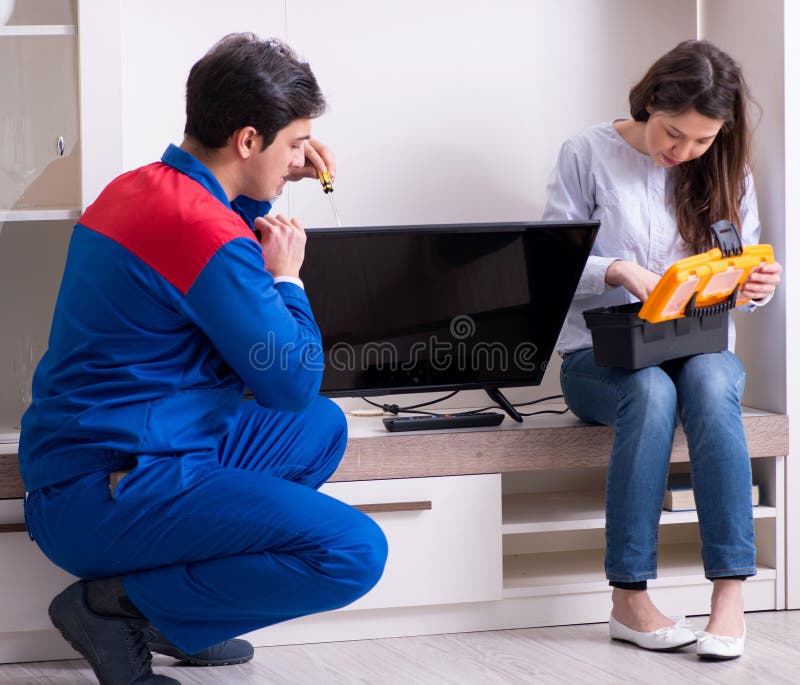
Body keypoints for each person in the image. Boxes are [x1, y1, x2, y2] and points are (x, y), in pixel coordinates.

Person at [19, 33, 387, 685]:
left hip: (114, 453)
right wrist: (287, 280)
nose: (304, 155)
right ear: (248, 140)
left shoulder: (144, 188)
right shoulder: (205, 232)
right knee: (352, 551)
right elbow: (290, 380)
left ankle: (178, 617)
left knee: (320, 430)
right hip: (107, 487)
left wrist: (277, 177)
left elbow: (216, 237)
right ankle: (115, 608)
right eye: (295, 141)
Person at [542, 39, 782, 660]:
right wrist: (618, 269)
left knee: (706, 382)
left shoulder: (727, 169)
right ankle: (629, 598)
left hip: (696, 346)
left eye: (701, 141)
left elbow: (738, 269)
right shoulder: (586, 152)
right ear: (651, 101)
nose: (684, 152)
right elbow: (547, 265)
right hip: (602, 356)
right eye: (674, 134)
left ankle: (728, 596)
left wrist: (754, 286)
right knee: (650, 391)